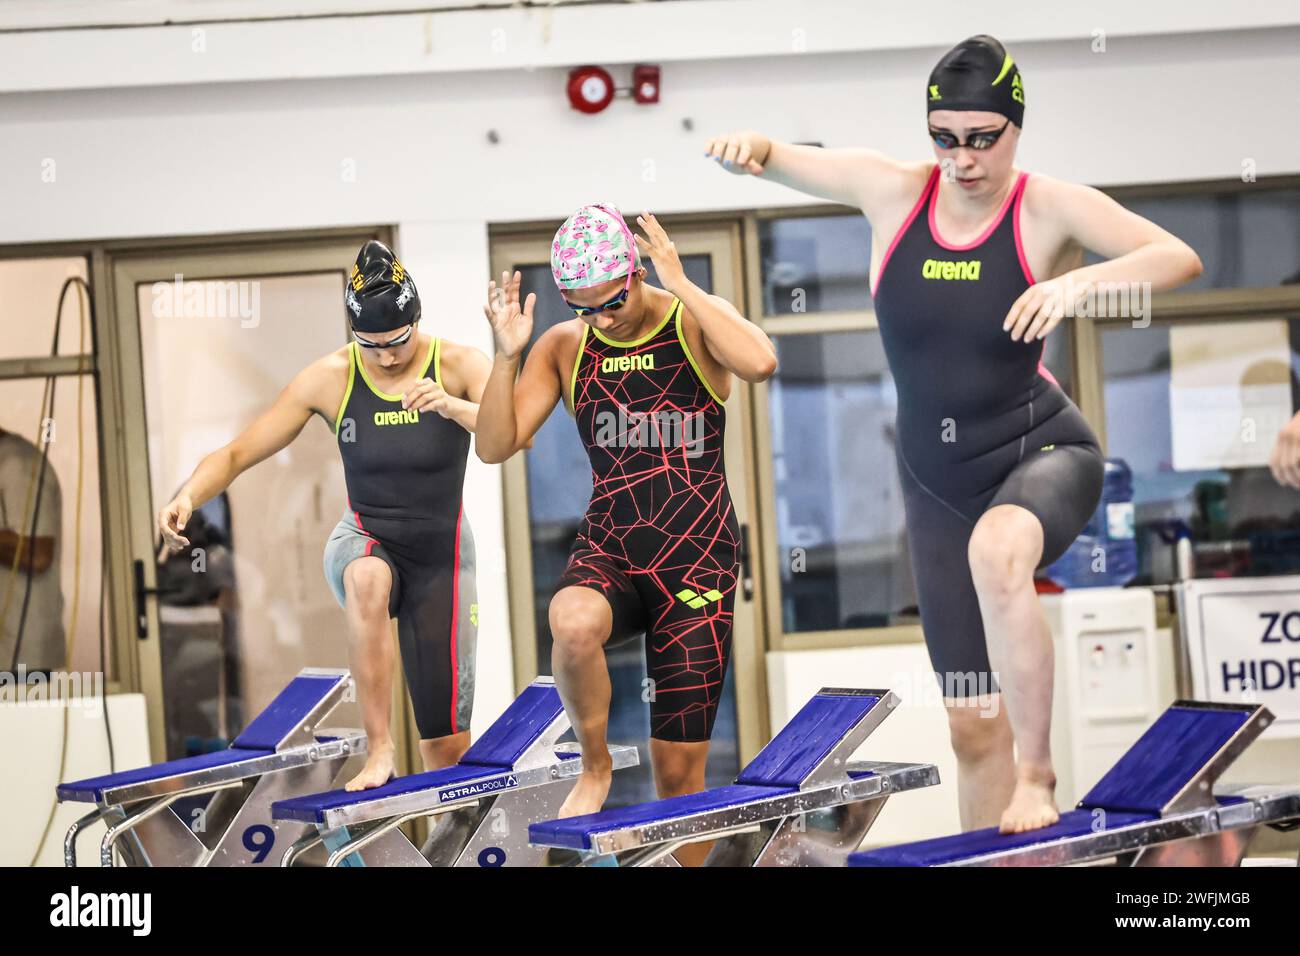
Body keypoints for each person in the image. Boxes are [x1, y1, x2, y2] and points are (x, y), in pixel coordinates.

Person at [705, 35, 1202, 833]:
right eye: (944, 137)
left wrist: (1077, 282)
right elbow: (780, 157)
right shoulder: (893, 192)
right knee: (971, 724)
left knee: (1000, 553)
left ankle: (1039, 778)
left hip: (1042, 451)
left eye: (982, 139)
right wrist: (750, 148)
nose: (961, 159)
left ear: (1014, 129)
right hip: (936, 487)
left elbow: (1175, 257)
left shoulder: (1044, 207)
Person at [475, 204, 776, 861]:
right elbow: (497, 445)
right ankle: (595, 762)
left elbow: (760, 363)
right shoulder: (564, 346)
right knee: (571, 622)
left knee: (678, 778)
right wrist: (506, 357)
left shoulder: (689, 321)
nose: (600, 319)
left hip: (697, 563)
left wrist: (684, 283)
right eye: (583, 308)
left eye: (611, 302)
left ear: (636, 275)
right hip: (612, 545)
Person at [158, 240, 489, 790]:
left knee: (447, 745)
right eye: (371, 344)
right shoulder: (331, 377)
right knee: (367, 577)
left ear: (417, 320)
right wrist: (188, 494)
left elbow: (511, 431)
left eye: (398, 342)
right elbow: (240, 451)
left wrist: (452, 405)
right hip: (362, 535)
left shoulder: (458, 365)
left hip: (442, 555)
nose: (385, 356)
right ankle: (379, 748)